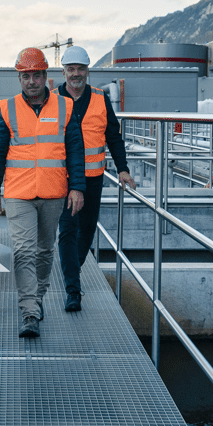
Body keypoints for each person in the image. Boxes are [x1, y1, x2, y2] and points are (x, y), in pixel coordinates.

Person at [0, 47, 85, 338]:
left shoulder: (65, 107)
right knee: (24, 251)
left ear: (46, 76)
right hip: (18, 192)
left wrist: (77, 187)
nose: (31, 81)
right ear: (20, 78)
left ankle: (38, 295)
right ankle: (29, 311)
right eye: (26, 76)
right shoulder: (7, 109)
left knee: (44, 251)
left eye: (36, 75)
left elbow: (76, 151)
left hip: (54, 191)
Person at [54, 46, 135, 312]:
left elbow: (113, 136)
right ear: (64, 71)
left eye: (80, 69)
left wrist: (123, 169)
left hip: (93, 177)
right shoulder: (52, 100)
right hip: (63, 178)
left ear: (88, 71)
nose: (75, 74)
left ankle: (71, 270)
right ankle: (72, 289)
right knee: (67, 230)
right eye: (71, 69)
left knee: (86, 231)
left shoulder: (100, 99)